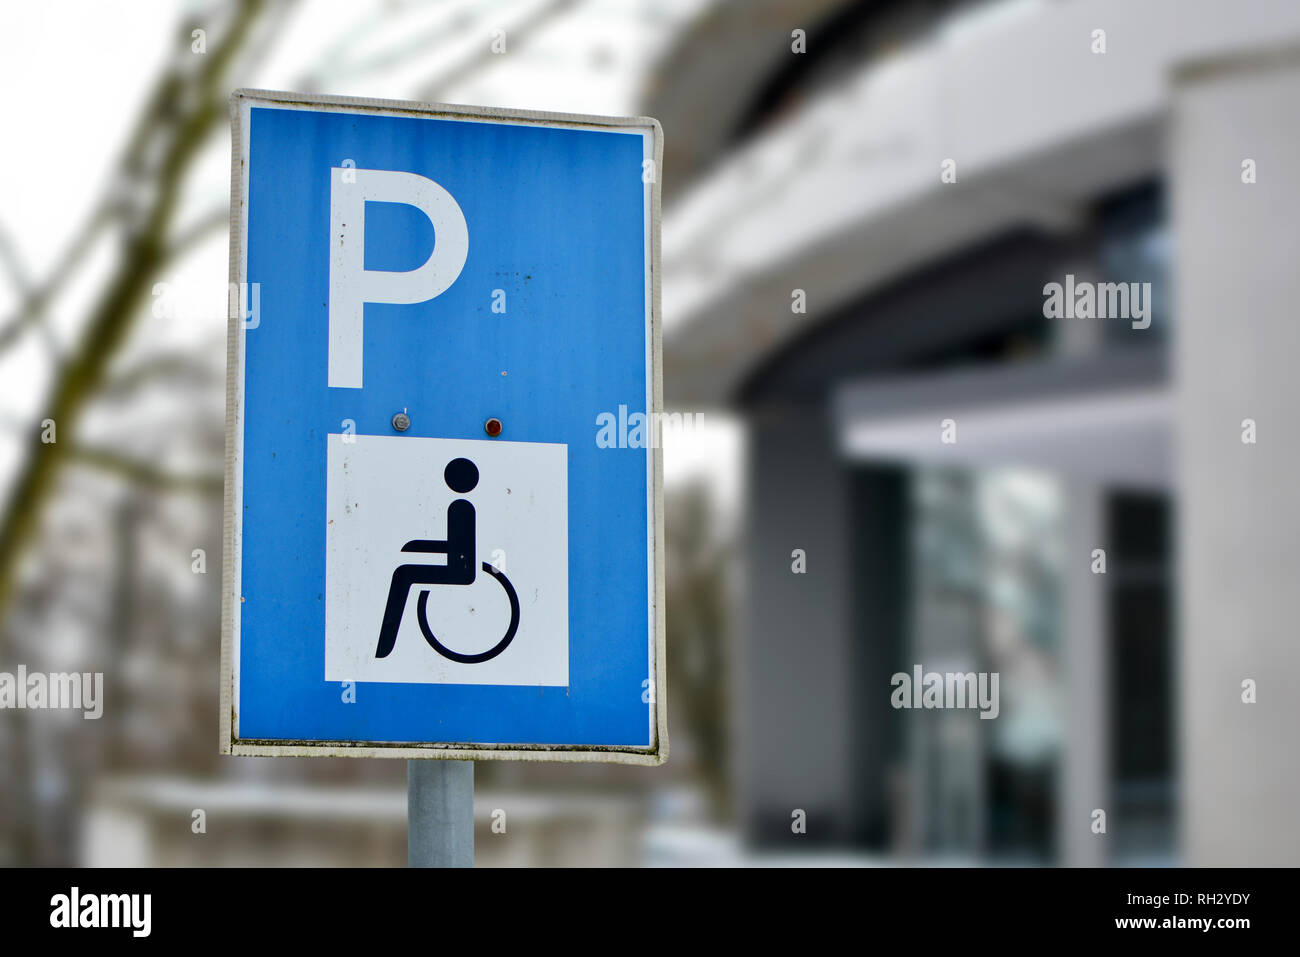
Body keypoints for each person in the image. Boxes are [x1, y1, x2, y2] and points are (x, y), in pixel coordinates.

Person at [374, 457, 478, 659]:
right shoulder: (460, 506)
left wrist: (417, 546)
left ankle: (385, 646)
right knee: (403, 572)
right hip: (457, 564)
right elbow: (452, 544)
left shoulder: (461, 507)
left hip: (461, 572)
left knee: (403, 573)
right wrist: (415, 545)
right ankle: (384, 645)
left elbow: (459, 547)